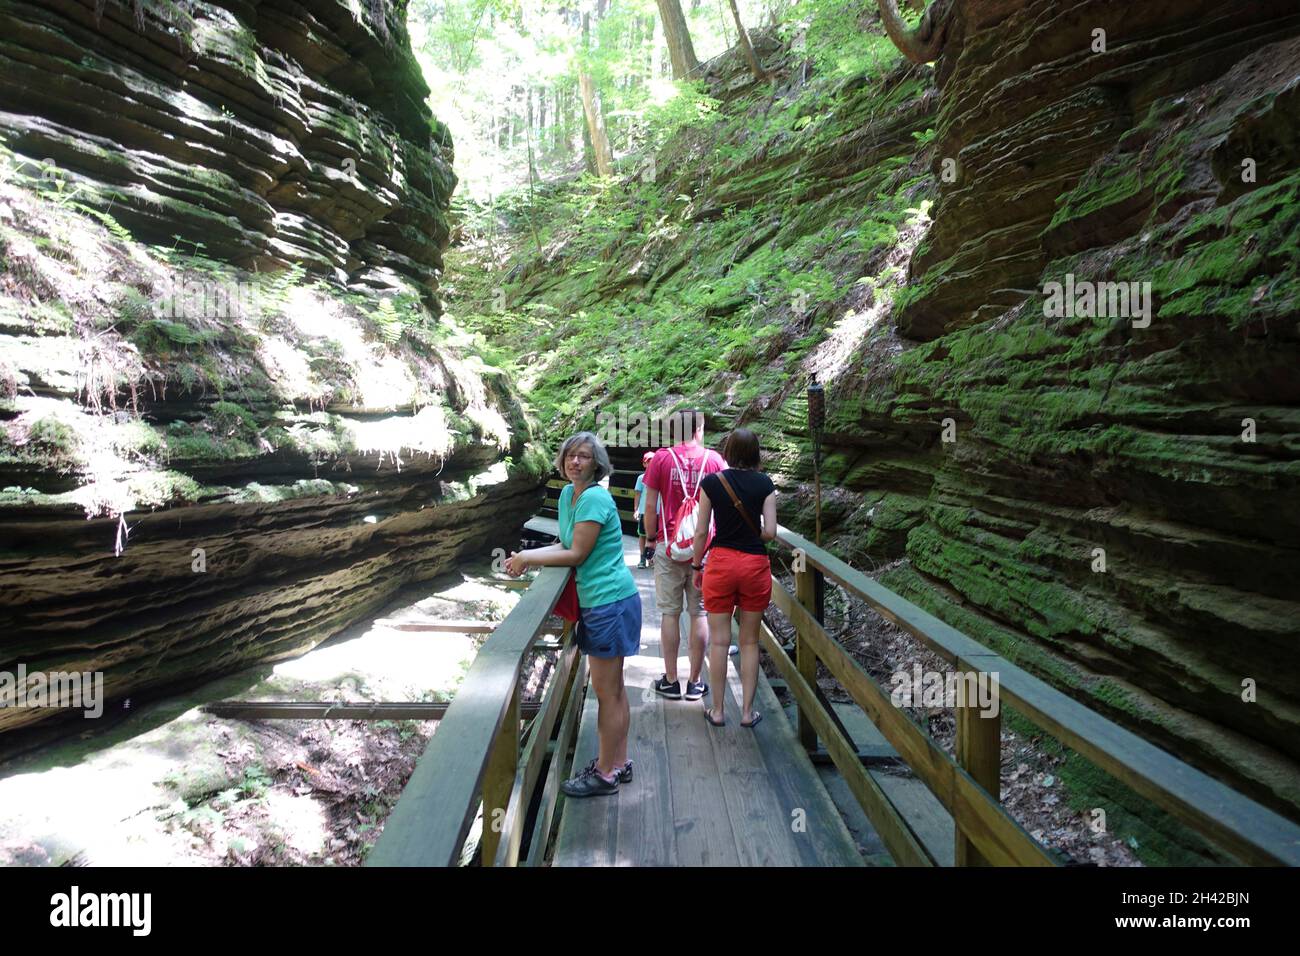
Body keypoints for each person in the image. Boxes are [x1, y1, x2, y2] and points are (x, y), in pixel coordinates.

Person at [506, 432, 640, 796]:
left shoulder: (595, 497)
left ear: (596, 464)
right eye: (570, 456)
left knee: (608, 692)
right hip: (601, 602)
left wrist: (528, 557)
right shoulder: (569, 495)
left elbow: (577, 554)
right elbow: (566, 542)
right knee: (613, 689)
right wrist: (531, 555)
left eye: (583, 456)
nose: (575, 462)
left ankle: (606, 772)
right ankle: (618, 762)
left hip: (609, 602)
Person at [692, 428, 776, 728]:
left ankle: (717, 711)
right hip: (754, 563)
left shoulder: (712, 483)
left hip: (721, 563)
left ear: (727, 451)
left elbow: (701, 530)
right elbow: (770, 532)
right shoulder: (765, 483)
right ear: (756, 453)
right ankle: (746, 712)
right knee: (750, 641)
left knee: (718, 641)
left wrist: (695, 565)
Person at [641, 410, 725, 701]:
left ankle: (671, 680)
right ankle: (696, 683)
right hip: (704, 550)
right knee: (699, 612)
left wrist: (651, 540)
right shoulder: (715, 460)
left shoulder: (662, 459)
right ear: (700, 429)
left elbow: (650, 506)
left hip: (668, 544)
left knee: (670, 613)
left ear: (674, 430)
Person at [632, 451, 658, 568]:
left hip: (657, 512)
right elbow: (637, 494)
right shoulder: (641, 478)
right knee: (643, 535)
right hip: (643, 511)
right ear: (644, 464)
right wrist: (636, 509)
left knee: (656, 536)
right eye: (649, 462)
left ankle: (652, 559)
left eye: (654, 461)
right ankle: (642, 558)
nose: (651, 464)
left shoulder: (661, 477)